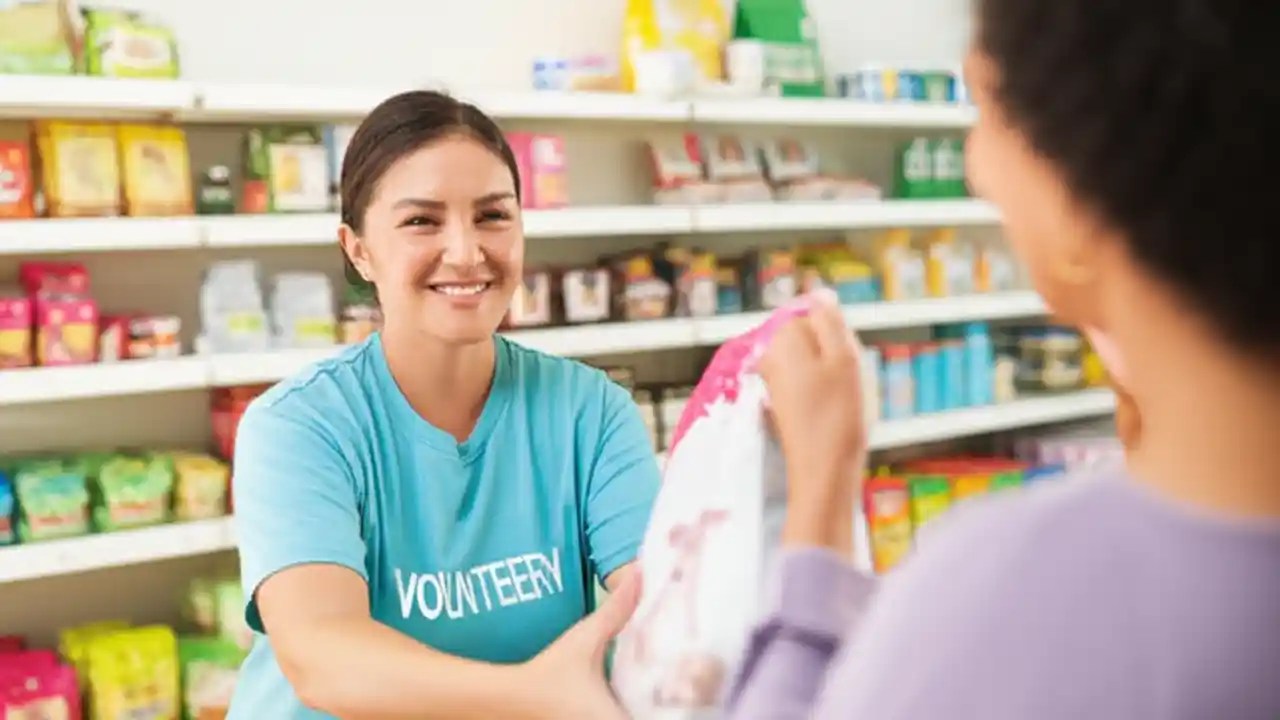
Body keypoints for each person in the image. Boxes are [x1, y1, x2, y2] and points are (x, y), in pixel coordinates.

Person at [719, 0, 1280, 717]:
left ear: (1078, 195)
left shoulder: (1020, 589)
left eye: (988, 112)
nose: (979, 172)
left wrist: (822, 486)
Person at [226, 90, 658, 720]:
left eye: (492, 216)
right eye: (421, 221)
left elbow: (670, 602)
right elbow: (324, 657)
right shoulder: (298, 427)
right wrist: (538, 695)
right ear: (358, 250)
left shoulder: (591, 413)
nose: (465, 251)